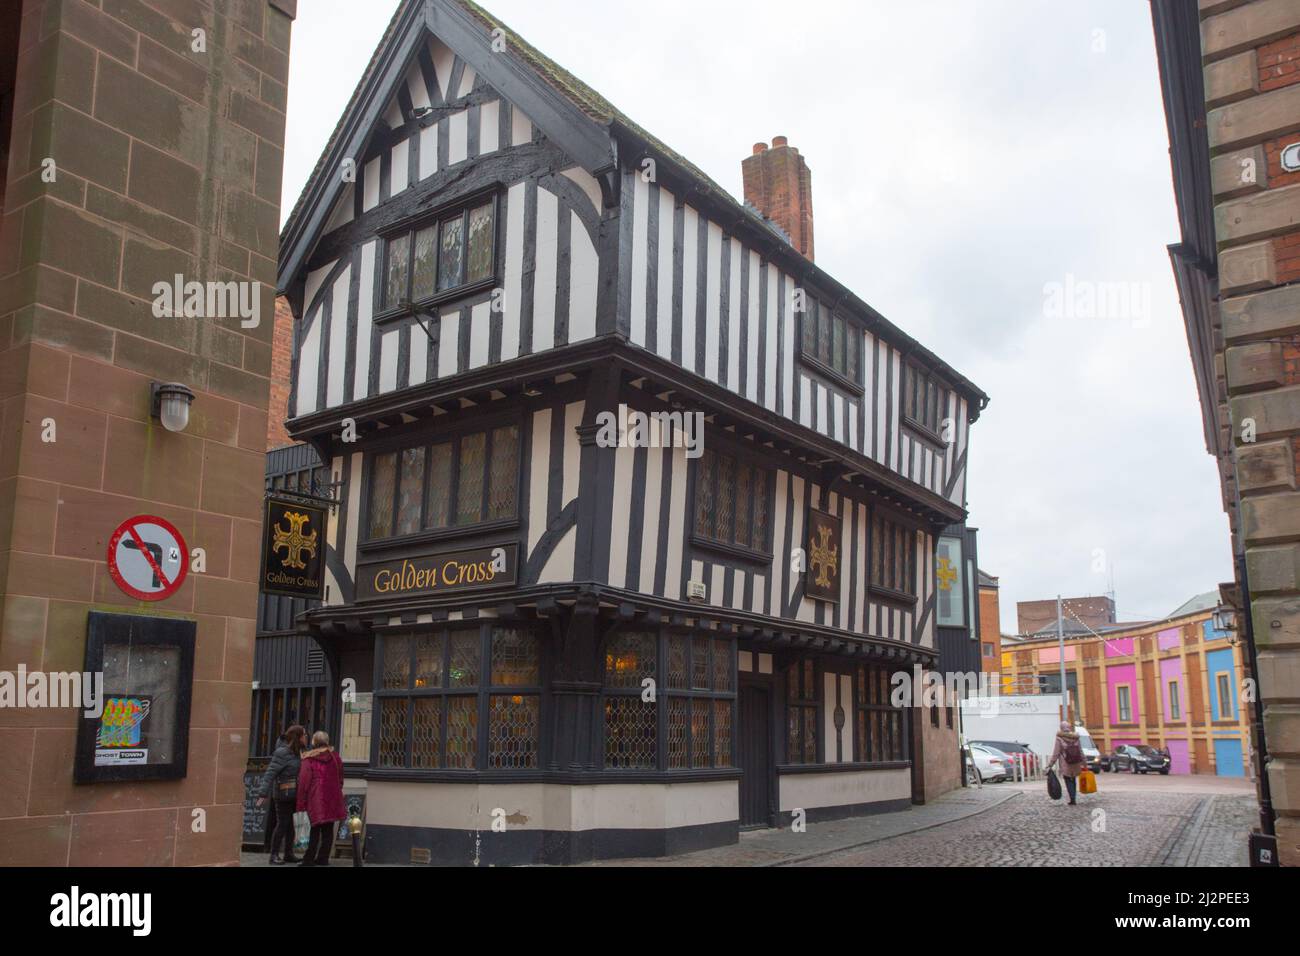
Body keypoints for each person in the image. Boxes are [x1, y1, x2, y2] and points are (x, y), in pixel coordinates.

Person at [257, 724, 307, 864]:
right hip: (283, 794)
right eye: (304, 735)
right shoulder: (282, 753)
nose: (306, 737)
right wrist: (262, 793)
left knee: (291, 825)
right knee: (282, 824)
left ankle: (288, 853)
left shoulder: (302, 752)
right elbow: (270, 773)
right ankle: (273, 855)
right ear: (298, 737)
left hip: (296, 795)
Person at [296, 730, 346, 866]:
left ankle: (308, 859)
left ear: (314, 742)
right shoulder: (335, 757)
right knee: (328, 830)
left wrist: (301, 802)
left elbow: (304, 782)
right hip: (332, 797)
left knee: (314, 829)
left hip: (315, 799)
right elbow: (340, 778)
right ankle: (323, 858)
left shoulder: (309, 759)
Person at [1045, 720, 1086, 805]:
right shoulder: (1076, 737)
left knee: (1068, 780)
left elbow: (1056, 753)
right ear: (1069, 727)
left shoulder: (1059, 738)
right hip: (1076, 763)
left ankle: (1072, 799)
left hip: (1065, 763)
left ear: (1061, 728)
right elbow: (1080, 751)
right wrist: (1084, 763)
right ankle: (1073, 797)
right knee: (1073, 779)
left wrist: (1050, 765)